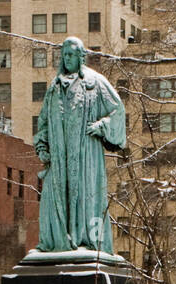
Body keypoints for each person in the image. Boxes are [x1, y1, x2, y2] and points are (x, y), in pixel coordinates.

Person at [32, 37, 126, 255]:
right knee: (55, 197)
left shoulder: (95, 82)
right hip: (59, 157)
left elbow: (118, 110)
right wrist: (42, 146)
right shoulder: (54, 88)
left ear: (81, 56)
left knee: (87, 196)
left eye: (71, 54)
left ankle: (88, 241)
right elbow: (43, 121)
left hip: (86, 157)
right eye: (64, 55)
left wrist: (102, 126)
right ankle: (59, 241)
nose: (67, 59)